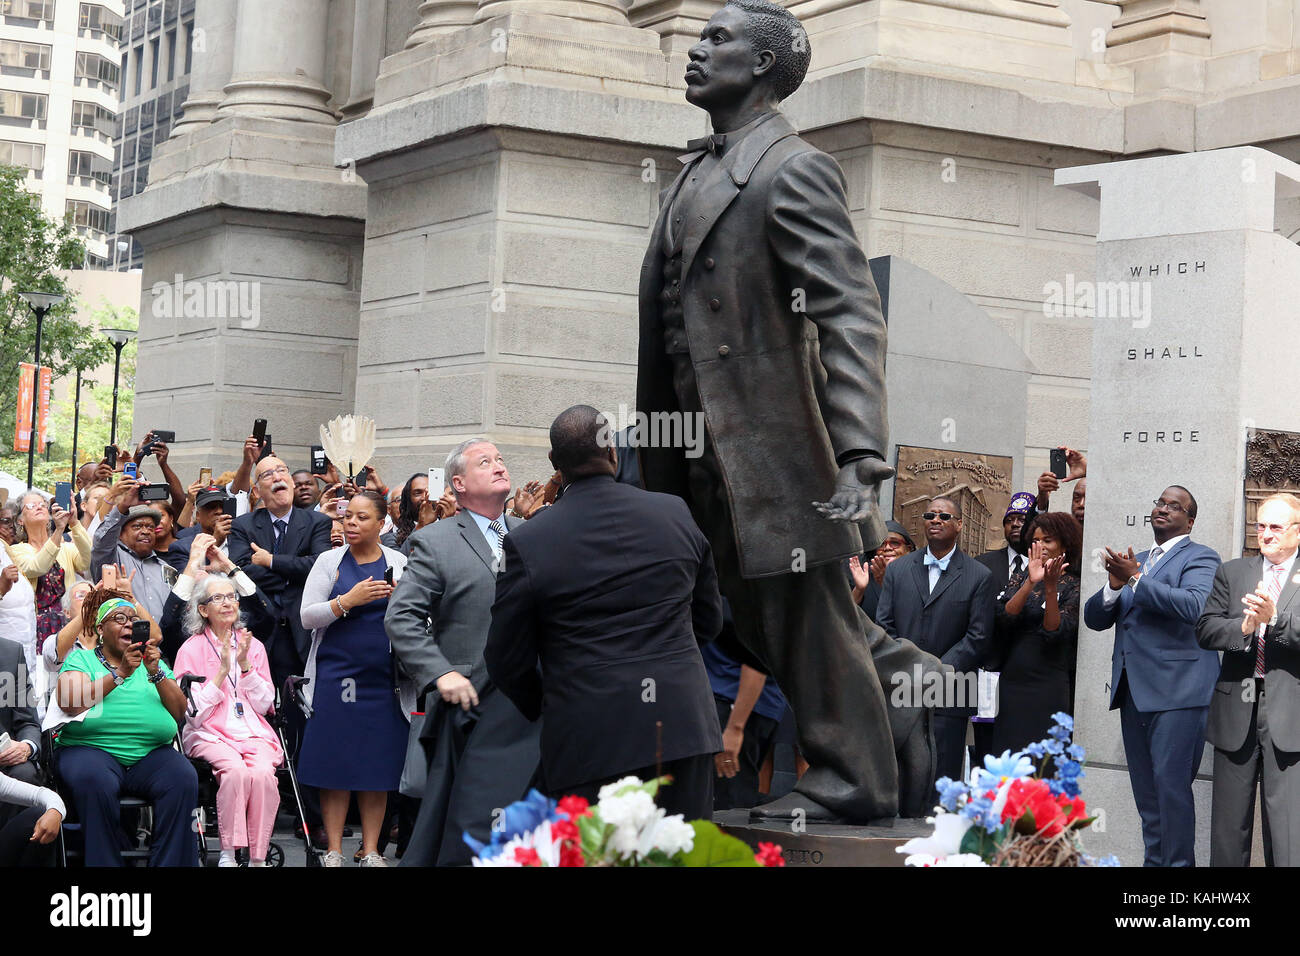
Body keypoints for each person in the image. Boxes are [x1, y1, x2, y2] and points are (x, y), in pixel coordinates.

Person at [633, 0, 941, 825]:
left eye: (717, 39)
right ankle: (899, 685)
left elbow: (850, 311)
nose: (695, 52)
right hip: (702, 452)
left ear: (766, 64)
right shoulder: (696, 172)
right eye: (697, 38)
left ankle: (855, 778)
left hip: (776, 451)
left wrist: (859, 450)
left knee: (802, 618)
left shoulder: (792, 168)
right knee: (753, 623)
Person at [487, 406, 723, 817]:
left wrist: (551, 701)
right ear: (612, 451)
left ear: (554, 465)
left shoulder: (531, 540)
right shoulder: (674, 513)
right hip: (681, 725)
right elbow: (709, 619)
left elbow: (505, 657)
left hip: (588, 730)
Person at [385, 441, 541, 867]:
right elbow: (402, 618)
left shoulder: (532, 536)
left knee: (525, 828)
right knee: (464, 829)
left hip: (532, 710)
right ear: (458, 484)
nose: (498, 466)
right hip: (470, 708)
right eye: (484, 462)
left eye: (501, 460)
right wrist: (439, 673)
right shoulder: (433, 541)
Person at [1085, 485, 1219, 868]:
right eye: (1159, 502)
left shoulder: (1201, 557)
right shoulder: (1138, 560)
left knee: (1171, 792)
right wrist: (1114, 586)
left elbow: (1193, 606)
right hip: (1134, 694)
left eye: (1174, 506)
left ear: (1189, 520)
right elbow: (1095, 619)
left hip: (1179, 694)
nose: (1162, 509)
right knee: (1147, 796)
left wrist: (1135, 580)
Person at [298, 490, 408, 867]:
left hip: (383, 676)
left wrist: (398, 603)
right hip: (335, 673)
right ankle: (333, 850)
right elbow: (307, 616)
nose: (351, 524)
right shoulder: (329, 561)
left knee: (378, 764)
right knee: (336, 762)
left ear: (382, 524)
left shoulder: (399, 561)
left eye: (362, 518)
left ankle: (373, 849)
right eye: (347, 518)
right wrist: (348, 599)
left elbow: (419, 618)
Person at [227, 453, 332, 843]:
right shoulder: (243, 525)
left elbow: (320, 568)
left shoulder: (317, 521)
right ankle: (254, 819)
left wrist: (270, 560)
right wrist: (290, 568)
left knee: (306, 725)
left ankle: (313, 818)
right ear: (257, 490)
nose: (277, 478)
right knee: (254, 723)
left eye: (281, 471)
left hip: (301, 641)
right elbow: (239, 573)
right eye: (267, 474)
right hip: (257, 639)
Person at [53, 594, 197, 866]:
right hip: (91, 750)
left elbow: (179, 712)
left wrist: (155, 673)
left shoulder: (154, 663)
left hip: (151, 754)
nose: (129, 624)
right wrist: (119, 673)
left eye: (134, 620)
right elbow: (69, 701)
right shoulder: (82, 660)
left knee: (182, 777)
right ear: (99, 629)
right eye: (119, 619)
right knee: (94, 780)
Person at [1196, 492, 1300, 866]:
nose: (1266, 533)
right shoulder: (1233, 571)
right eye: (1261, 525)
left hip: (1290, 716)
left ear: (1297, 531)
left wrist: (1275, 619)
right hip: (1236, 709)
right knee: (1228, 830)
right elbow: (1205, 630)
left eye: (1276, 526)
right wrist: (1243, 626)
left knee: (1289, 833)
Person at [876, 495, 994, 786]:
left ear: (960, 525)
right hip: (902, 685)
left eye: (943, 516)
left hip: (952, 689)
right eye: (929, 516)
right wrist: (906, 667)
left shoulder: (980, 576)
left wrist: (935, 671)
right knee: (900, 774)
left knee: (943, 779)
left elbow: (977, 637)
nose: (936, 521)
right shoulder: (897, 570)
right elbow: (884, 625)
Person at [173, 572, 282, 867]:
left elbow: (265, 704)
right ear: (203, 609)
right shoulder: (191, 649)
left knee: (262, 775)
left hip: (251, 731)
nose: (227, 603)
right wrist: (221, 672)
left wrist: (245, 665)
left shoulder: (253, 645)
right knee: (235, 772)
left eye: (231, 596)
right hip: (209, 733)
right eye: (217, 598)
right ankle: (228, 852)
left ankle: (258, 857)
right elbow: (192, 713)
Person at [988, 512, 1081, 754]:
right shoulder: (1021, 576)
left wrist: (1050, 589)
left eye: (1048, 540)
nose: (1041, 546)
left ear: (1065, 543)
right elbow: (1005, 617)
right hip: (1013, 681)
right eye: (1036, 541)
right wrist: (1030, 582)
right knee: (1009, 756)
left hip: (1049, 685)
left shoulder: (1074, 584)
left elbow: (1055, 631)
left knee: (1044, 761)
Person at [973, 492, 1036, 761]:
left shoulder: (1050, 568)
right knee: (988, 748)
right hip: (989, 671)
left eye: (1022, 519)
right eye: (1010, 520)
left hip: (1031, 671)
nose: (1015, 524)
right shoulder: (982, 565)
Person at [9, 491, 91, 664]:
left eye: (42, 504)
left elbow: (87, 561)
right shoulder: (17, 550)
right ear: (20, 520)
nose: (39, 507)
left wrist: (74, 522)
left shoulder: (66, 548)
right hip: (35, 627)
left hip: (69, 624)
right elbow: (36, 567)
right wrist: (59, 529)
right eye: (31, 505)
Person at [90, 488, 175, 620]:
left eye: (150, 527)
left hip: (162, 639)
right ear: (120, 534)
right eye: (137, 526)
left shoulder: (166, 569)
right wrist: (123, 506)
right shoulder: (111, 557)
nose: (145, 531)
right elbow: (102, 541)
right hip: (124, 638)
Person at [848, 520, 915, 620]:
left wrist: (886, 584)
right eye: (881, 544)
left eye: (895, 543)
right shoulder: (863, 577)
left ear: (908, 549)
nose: (887, 548)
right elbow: (846, 618)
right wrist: (859, 589)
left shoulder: (918, 577)